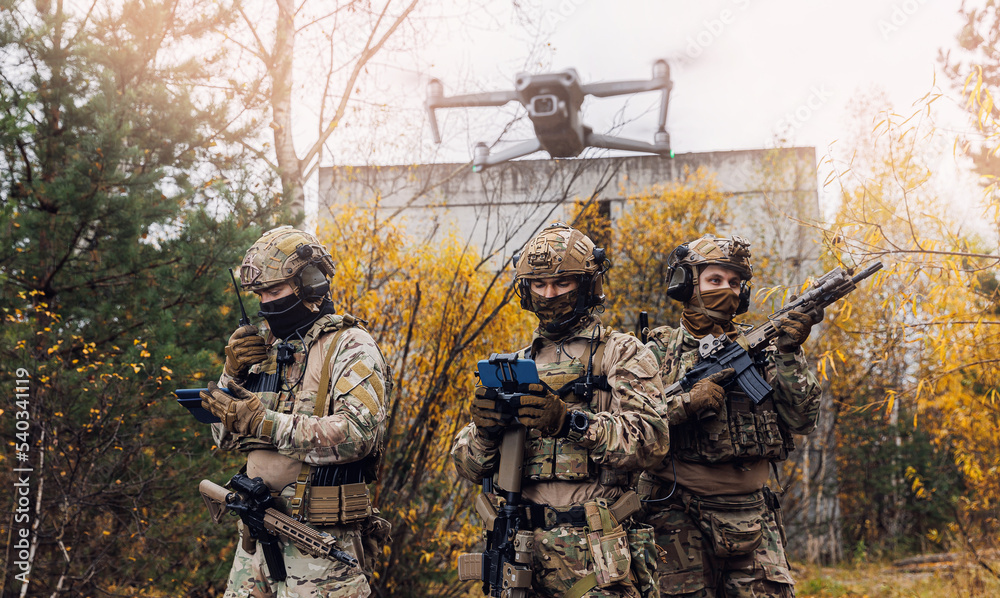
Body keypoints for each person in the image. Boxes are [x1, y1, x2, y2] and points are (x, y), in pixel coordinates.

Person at [451, 222, 669, 598]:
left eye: (562, 283)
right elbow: (468, 468)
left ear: (588, 285)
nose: (549, 294)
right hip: (522, 552)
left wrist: (571, 422)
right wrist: (484, 431)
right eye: (539, 284)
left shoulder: (622, 353)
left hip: (599, 557)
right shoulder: (512, 365)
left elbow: (651, 440)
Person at [201, 226, 392, 598]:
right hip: (253, 541)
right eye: (259, 294)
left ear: (311, 284)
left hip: (319, 545)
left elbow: (357, 436)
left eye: (274, 291)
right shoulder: (264, 347)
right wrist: (231, 373)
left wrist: (265, 423)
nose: (265, 304)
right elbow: (222, 438)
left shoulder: (350, 346)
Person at [636, 234, 823, 598]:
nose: (727, 290)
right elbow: (630, 426)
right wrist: (685, 403)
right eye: (715, 280)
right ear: (688, 283)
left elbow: (803, 419)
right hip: (676, 511)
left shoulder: (764, 349)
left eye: (736, 283)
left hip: (754, 512)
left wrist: (789, 352)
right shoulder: (654, 351)